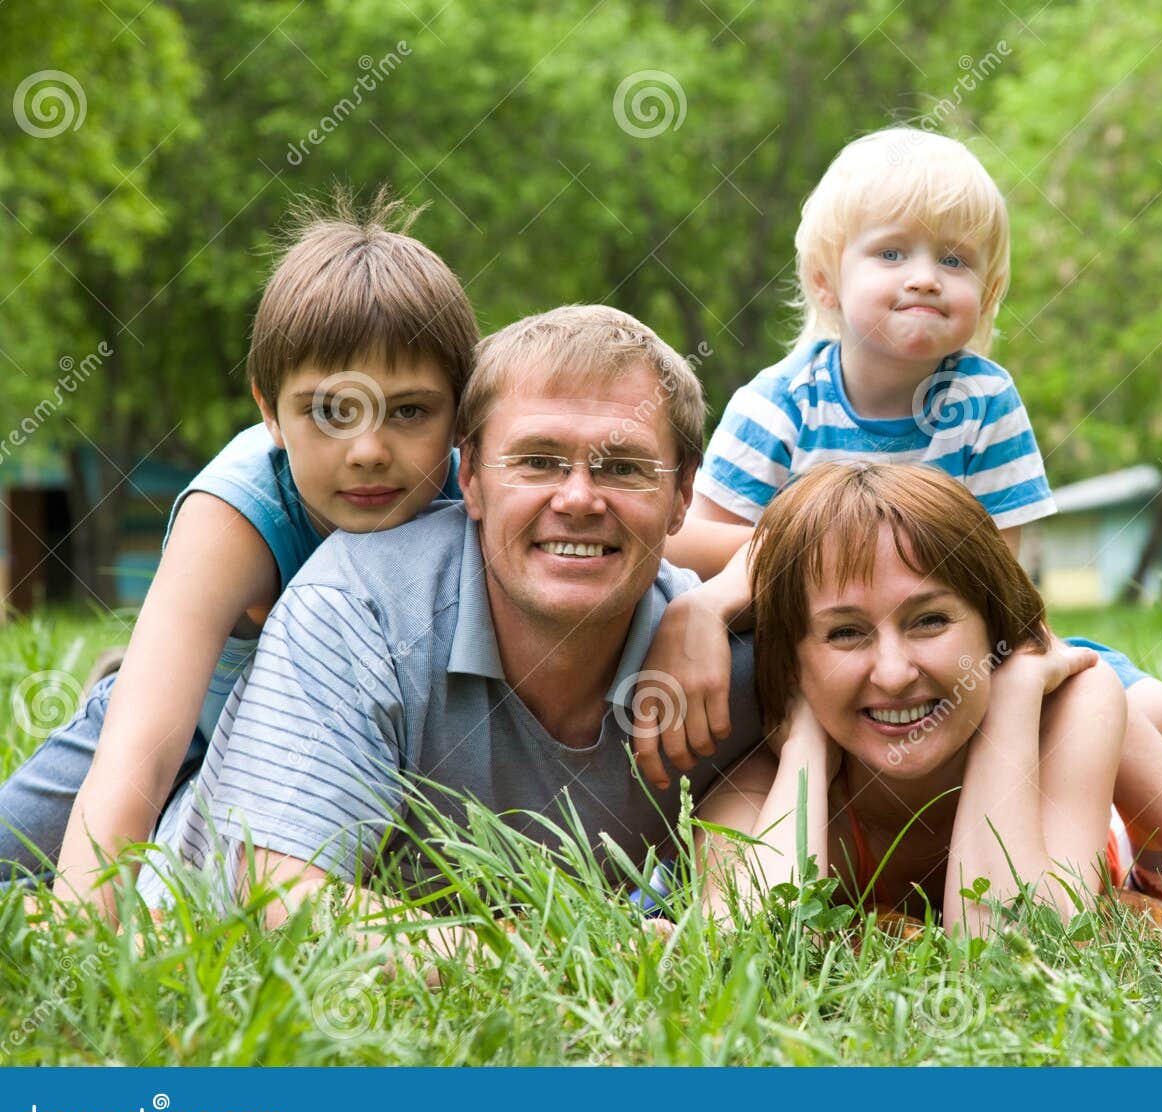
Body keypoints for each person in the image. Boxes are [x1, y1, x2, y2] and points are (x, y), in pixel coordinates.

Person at [633, 128, 1162, 907]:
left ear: (989, 289)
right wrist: (822, 555)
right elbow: (697, 536)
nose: (926, 279)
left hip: (964, 636)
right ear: (825, 281)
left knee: (1152, 709)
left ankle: (1159, 861)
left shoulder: (984, 401)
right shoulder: (780, 402)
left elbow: (999, 573)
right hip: (831, 645)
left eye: (955, 260)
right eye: (892, 254)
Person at [133, 306, 762, 931]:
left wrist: (715, 916)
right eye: (537, 461)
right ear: (471, 479)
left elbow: (836, 553)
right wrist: (569, 959)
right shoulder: (358, 605)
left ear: (682, 496)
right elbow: (279, 905)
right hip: (173, 915)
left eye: (623, 467)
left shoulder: (715, 652)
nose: (577, 498)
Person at [0, 193, 479, 918]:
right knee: (22, 866)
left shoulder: (474, 490)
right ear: (268, 410)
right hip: (189, 720)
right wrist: (85, 928)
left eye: (410, 410)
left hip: (341, 747)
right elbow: (142, 751)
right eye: (329, 411)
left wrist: (711, 597)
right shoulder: (236, 516)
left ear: (461, 412)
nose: (371, 450)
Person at [696, 463, 1162, 935]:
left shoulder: (1059, 708)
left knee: (1136, 705)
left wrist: (1013, 697)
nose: (892, 675)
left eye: (930, 620)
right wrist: (805, 751)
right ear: (792, 664)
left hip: (1092, 804)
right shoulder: (755, 768)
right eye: (844, 633)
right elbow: (747, 936)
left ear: (994, 630)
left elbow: (1011, 943)